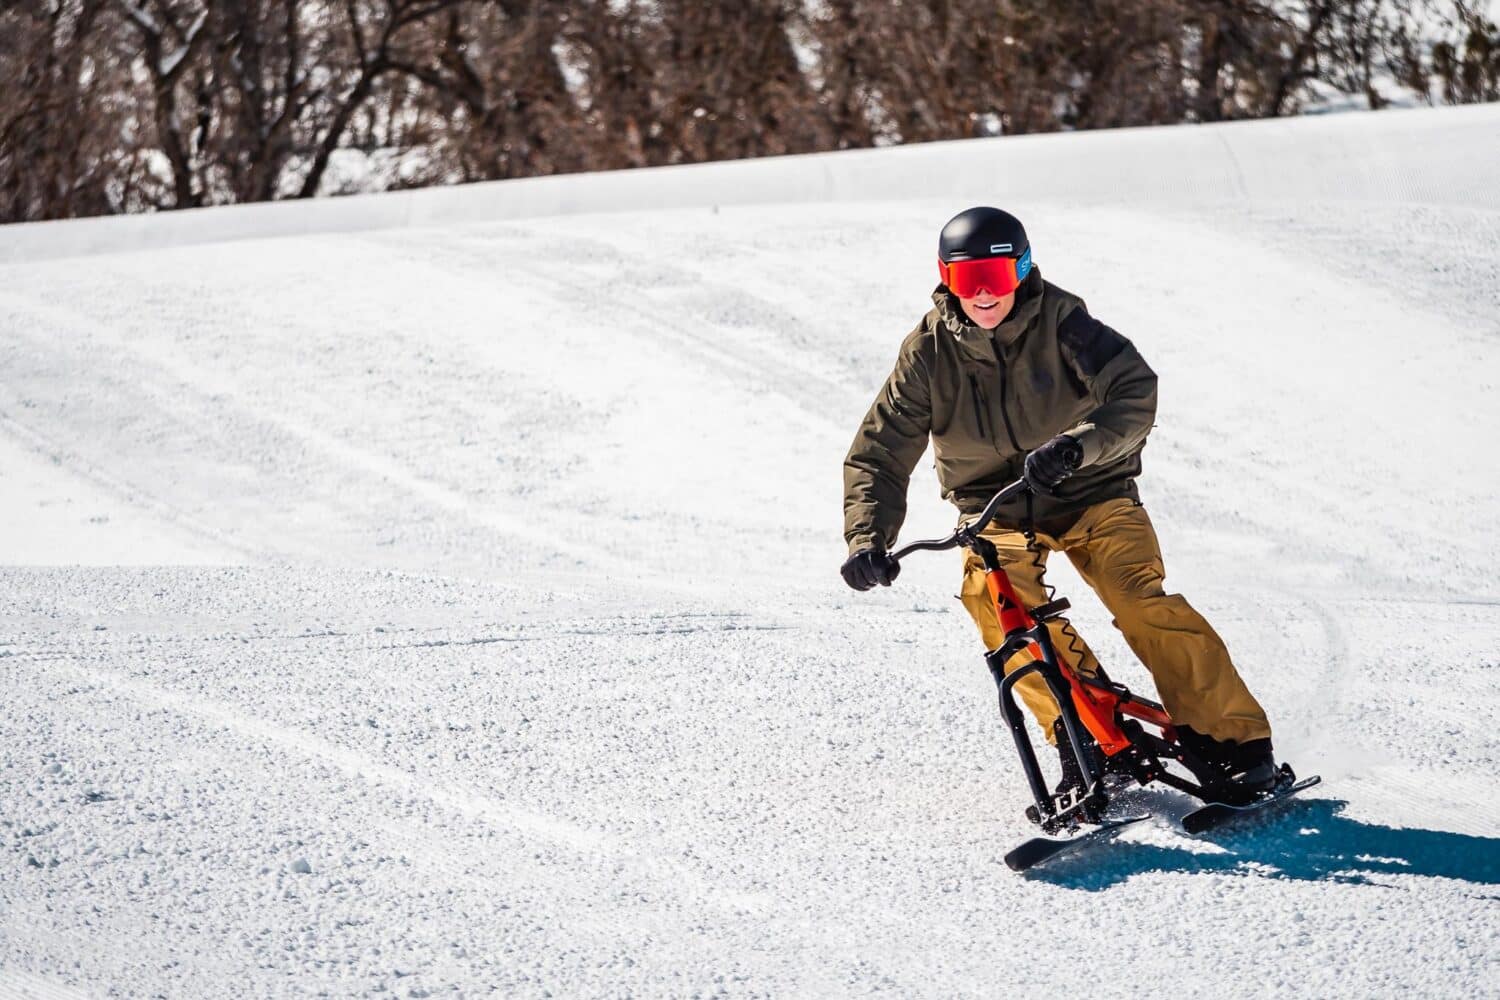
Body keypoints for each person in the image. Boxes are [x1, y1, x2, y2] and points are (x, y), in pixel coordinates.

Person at [839, 206, 1277, 796]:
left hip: (1093, 491)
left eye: (998, 276)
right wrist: (868, 538)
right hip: (996, 506)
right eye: (970, 281)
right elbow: (879, 453)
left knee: (1139, 600)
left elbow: (1133, 391)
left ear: (1022, 270)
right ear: (945, 278)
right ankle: (1088, 737)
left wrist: (1078, 446)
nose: (986, 295)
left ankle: (1233, 740)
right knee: (997, 608)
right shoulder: (928, 353)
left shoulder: (1064, 322)